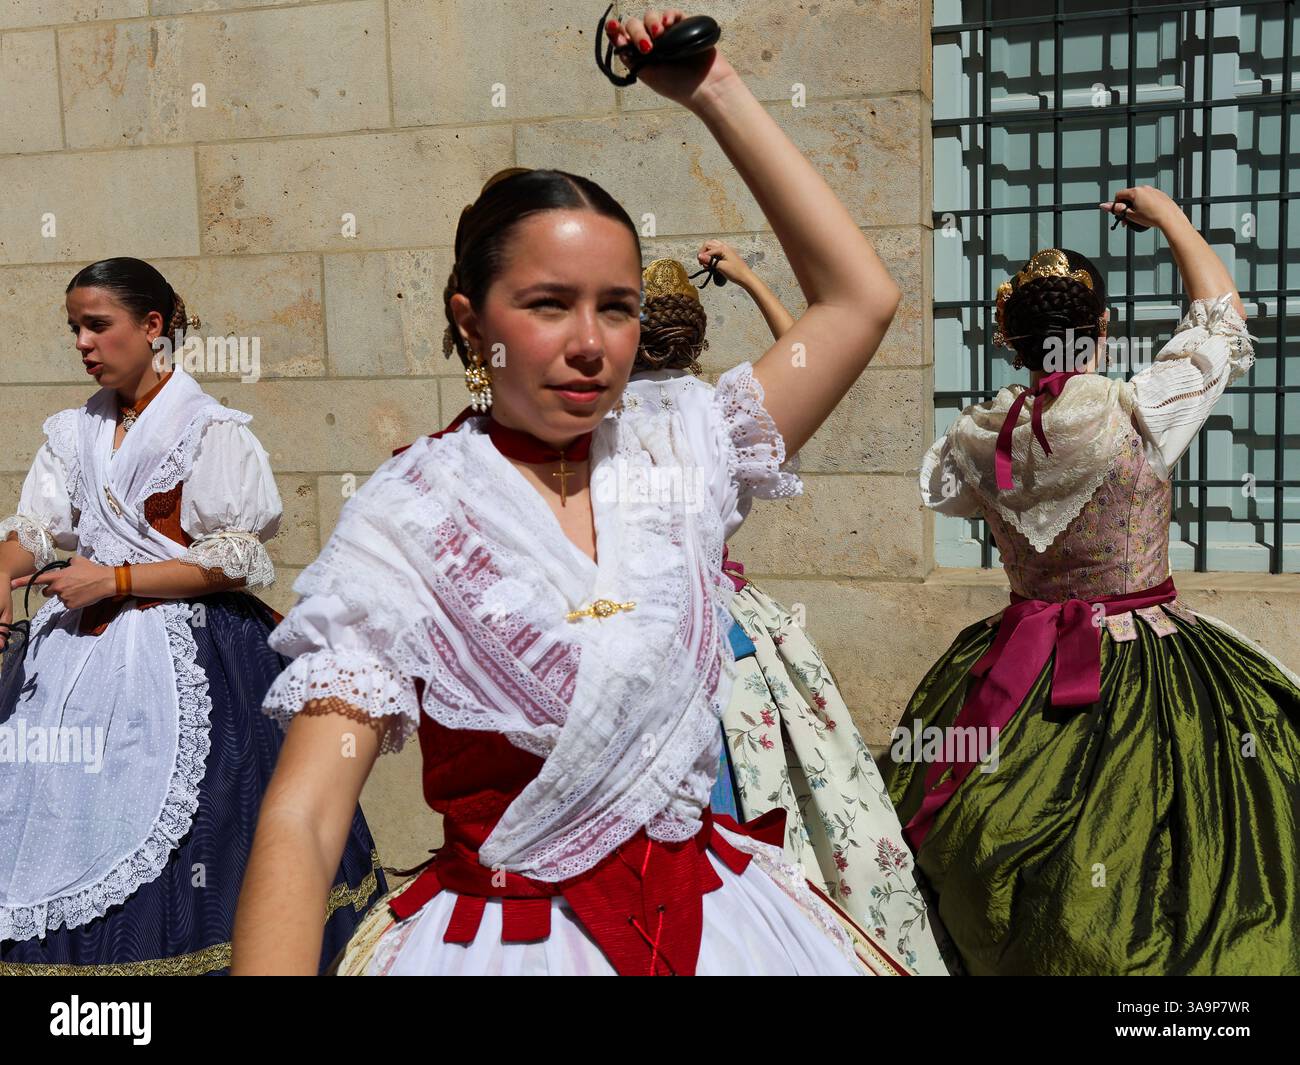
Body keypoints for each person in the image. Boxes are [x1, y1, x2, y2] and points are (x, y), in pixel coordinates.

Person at [231, 7, 909, 976]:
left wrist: (712, 90)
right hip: (510, 943)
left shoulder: (682, 439)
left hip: (720, 922)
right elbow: (303, 815)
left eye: (618, 307)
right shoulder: (407, 513)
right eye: (548, 304)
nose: (591, 343)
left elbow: (857, 301)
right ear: (473, 323)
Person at [882, 186, 1300, 975]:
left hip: (1015, 662)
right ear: (1101, 328)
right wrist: (1172, 218)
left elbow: (945, 492)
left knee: (985, 834)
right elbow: (1222, 320)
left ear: (1009, 336)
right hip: (1150, 653)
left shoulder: (974, 437)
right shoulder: (1140, 410)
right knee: (1185, 845)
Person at [0, 258, 385, 975]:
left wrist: (114, 577)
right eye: (74, 328)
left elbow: (233, 559)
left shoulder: (209, 429)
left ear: (152, 328)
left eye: (97, 325)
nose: (82, 342)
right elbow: (40, 527)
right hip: (72, 661)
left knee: (199, 830)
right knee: (48, 812)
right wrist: (3, 567)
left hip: (184, 651)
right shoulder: (73, 431)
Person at [632, 248, 946, 975]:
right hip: (731, 634)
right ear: (697, 339)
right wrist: (750, 280)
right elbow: (812, 348)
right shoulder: (725, 415)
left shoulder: (587, 421)